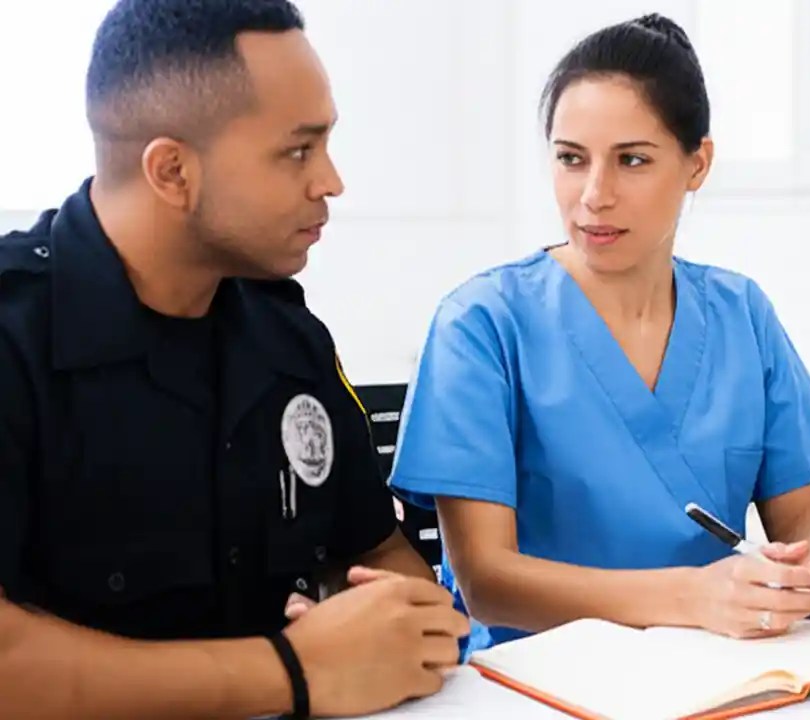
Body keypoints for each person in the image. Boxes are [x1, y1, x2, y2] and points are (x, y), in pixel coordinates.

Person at [0, 1, 467, 717]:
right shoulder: (16, 340)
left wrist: (402, 621)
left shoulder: (284, 334)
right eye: (297, 151)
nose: (331, 182)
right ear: (172, 171)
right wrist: (292, 671)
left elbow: (378, 555)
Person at [389, 14, 810, 655]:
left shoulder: (741, 314)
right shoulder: (482, 324)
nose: (594, 195)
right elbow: (487, 581)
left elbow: (805, 520)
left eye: (631, 160)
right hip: (530, 680)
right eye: (572, 159)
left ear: (697, 164)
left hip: (718, 670)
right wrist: (691, 597)